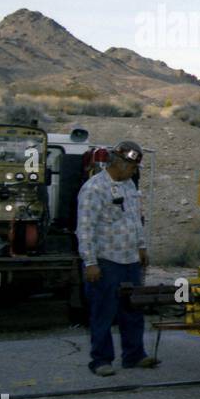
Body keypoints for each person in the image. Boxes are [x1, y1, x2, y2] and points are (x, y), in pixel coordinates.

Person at [77, 140, 158, 376]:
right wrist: (90, 262)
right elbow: (85, 229)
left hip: (130, 260)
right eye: (132, 167)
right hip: (106, 261)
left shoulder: (129, 185)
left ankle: (134, 355)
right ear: (120, 164)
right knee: (103, 312)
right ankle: (101, 360)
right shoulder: (94, 189)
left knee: (133, 309)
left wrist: (141, 247)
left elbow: (135, 218)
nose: (134, 171)